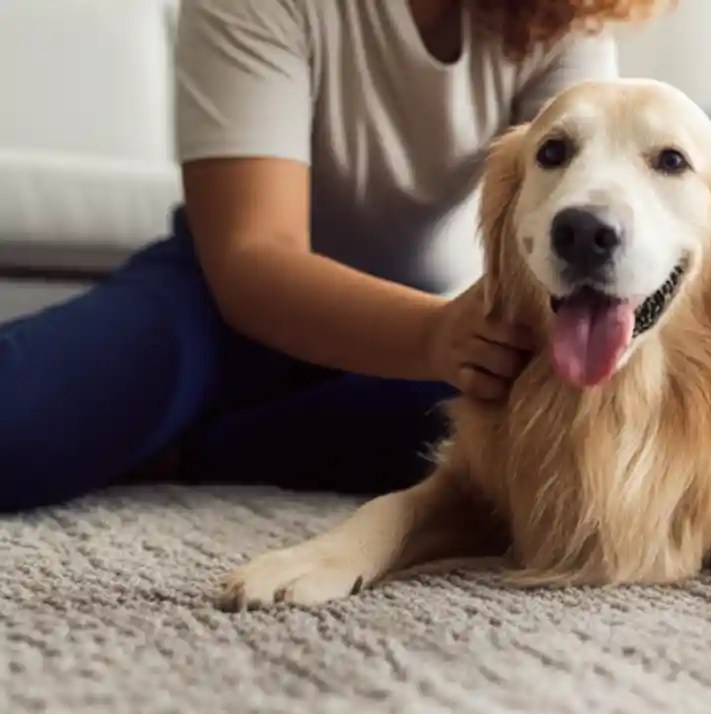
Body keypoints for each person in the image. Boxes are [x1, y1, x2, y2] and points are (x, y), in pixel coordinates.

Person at [0, 0, 660, 513]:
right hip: (219, 305)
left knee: (549, 448)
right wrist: (433, 334)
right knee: (21, 423)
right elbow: (252, 256)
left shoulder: (563, 20)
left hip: (428, 328)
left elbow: (569, 217)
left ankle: (191, 445)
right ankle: (177, 427)